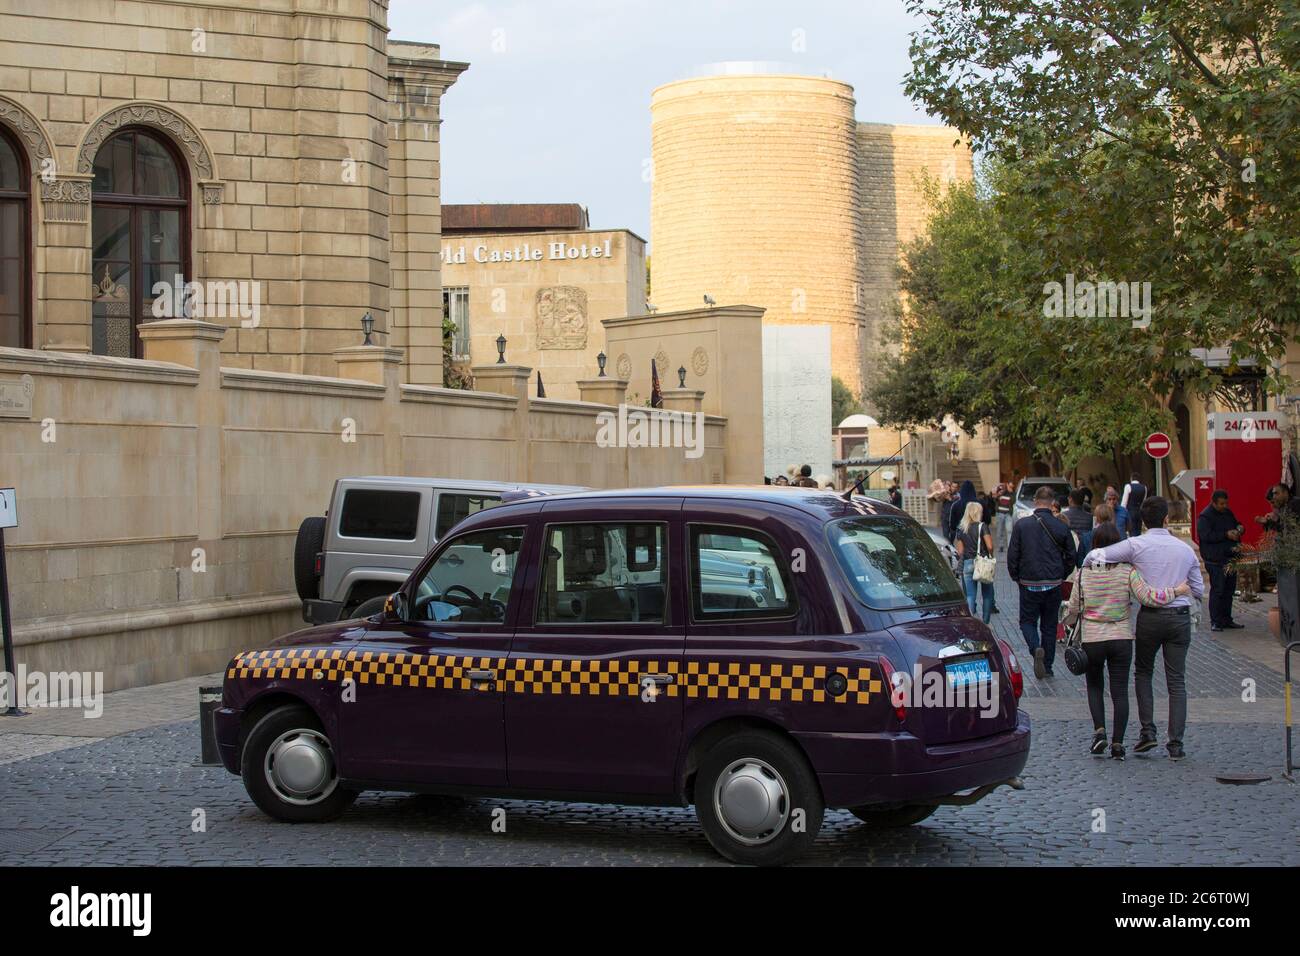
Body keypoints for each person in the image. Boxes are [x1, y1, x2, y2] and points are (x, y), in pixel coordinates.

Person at [1085, 496, 1204, 760]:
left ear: (1143, 521)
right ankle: (1175, 744)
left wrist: (1086, 570)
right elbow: (1199, 589)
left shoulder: (1135, 544)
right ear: (1166, 519)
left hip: (1150, 617)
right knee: (1177, 681)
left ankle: (1148, 732)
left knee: (1143, 672)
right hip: (1180, 617)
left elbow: (1096, 555)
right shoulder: (1185, 549)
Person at [1064, 521, 1192, 760]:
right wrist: (1176, 591)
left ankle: (1099, 731)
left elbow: (1074, 607)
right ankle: (1118, 743)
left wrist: (1067, 621)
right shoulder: (1128, 572)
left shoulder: (1083, 574)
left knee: (1094, 686)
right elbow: (1148, 597)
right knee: (1120, 691)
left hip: (1092, 637)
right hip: (1121, 638)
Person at [1007, 484, 1078, 678]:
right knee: (1049, 625)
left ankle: (1034, 647)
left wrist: (1016, 576)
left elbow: (1013, 554)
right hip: (1053, 583)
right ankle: (1047, 666)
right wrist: (1061, 574)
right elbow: (1072, 555)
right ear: (1053, 503)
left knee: (1027, 622)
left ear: (1035, 502)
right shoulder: (1061, 527)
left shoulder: (1022, 525)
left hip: (1029, 583)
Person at [1196, 489, 1243, 632]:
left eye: (1226, 503)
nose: (1224, 506)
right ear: (1214, 503)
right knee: (1218, 590)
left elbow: (1236, 524)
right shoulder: (1205, 517)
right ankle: (1215, 621)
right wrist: (1225, 534)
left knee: (1229, 590)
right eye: (1221, 504)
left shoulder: (1227, 513)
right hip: (1214, 559)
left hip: (1229, 557)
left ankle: (1226, 619)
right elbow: (1206, 536)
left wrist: (1240, 528)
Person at [955, 500, 996, 623]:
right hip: (982, 563)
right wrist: (991, 555)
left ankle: (971, 622)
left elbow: (960, 551)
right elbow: (989, 546)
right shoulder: (982, 526)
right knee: (988, 594)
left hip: (968, 563)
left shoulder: (962, 528)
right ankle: (986, 622)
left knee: (970, 596)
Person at [1120, 472, 1147, 538]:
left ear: (1131, 478)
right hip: (1139, 512)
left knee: (1132, 532)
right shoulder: (1144, 487)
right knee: (1138, 531)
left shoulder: (1128, 486)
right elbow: (1144, 501)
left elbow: (1124, 502)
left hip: (1130, 512)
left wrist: (1121, 513)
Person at [995, 482, 1014, 551]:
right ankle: (1001, 546)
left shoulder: (1012, 494)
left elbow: (1013, 501)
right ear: (1007, 485)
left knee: (1009, 530)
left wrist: (1011, 493)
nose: (1010, 488)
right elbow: (994, 499)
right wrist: (998, 494)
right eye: (1009, 486)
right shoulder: (1000, 492)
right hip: (1000, 514)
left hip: (1008, 514)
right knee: (1000, 531)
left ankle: (1010, 546)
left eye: (1012, 487)